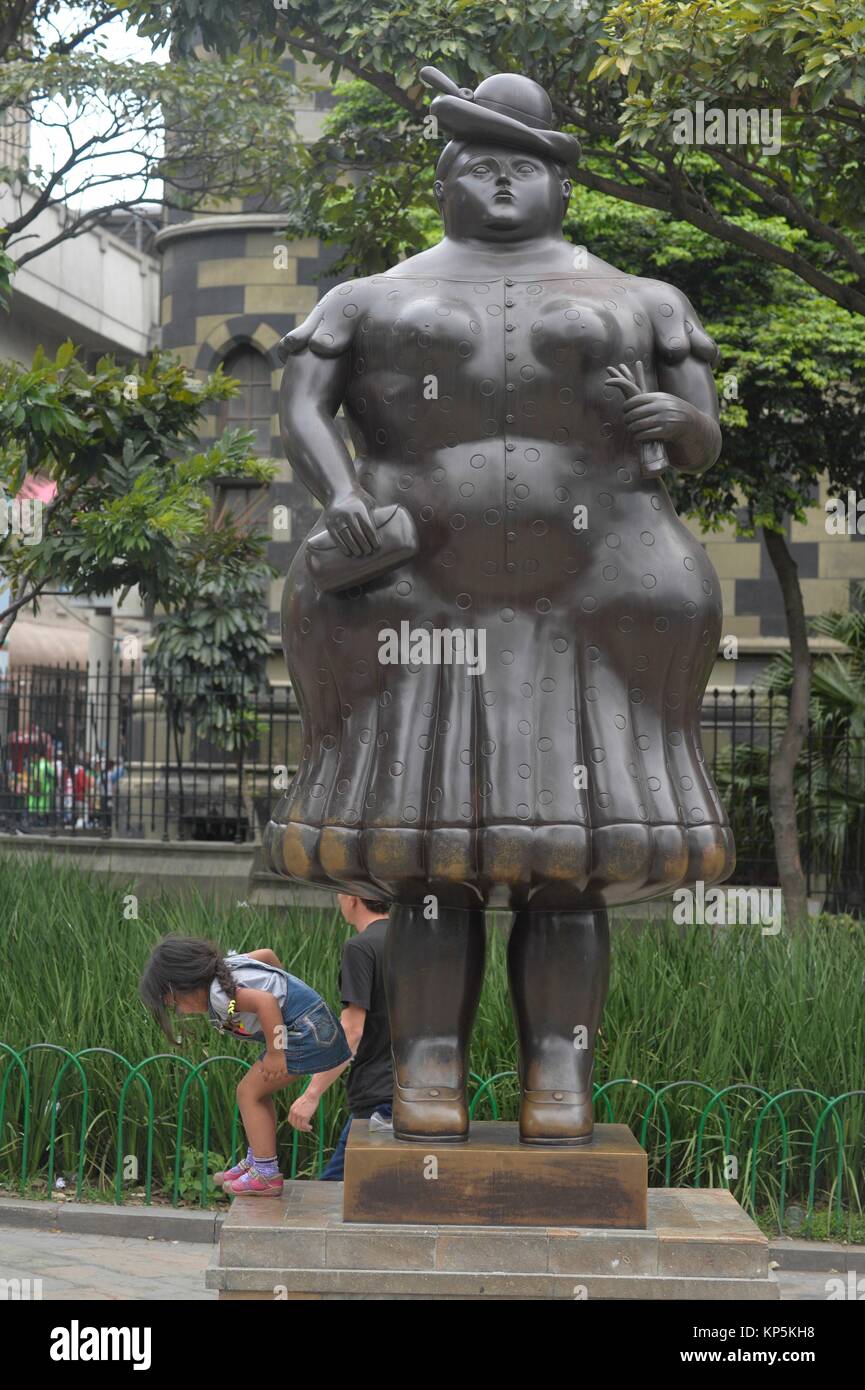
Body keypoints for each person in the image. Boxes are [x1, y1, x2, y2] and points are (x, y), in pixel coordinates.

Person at [264, 67, 733, 1147]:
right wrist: (340, 502)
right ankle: (427, 1067)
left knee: (565, 859)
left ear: (561, 182)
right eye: (482, 166)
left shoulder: (643, 300)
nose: (506, 184)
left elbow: (700, 440)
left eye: (524, 166)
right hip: (416, 591)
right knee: (431, 863)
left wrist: (675, 416)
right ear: (443, 180)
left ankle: (555, 1076)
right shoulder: (369, 296)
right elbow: (300, 403)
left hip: (598, 595)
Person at [139, 935, 351, 1196]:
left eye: (174, 1003)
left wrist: (276, 1052)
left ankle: (265, 1172)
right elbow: (268, 955)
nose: (179, 1011)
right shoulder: (226, 967)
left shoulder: (221, 997)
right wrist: (283, 988)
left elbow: (266, 1002)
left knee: (248, 1093)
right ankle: (259, 1160)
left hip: (305, 1035)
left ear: (185, 984)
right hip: (313, 1027)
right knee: (257, 1094)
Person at [288, 895, 393, 1181]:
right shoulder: (414, 943)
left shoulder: (360, 948)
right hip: (418, 1093)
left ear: (352, 898)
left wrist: (311, 1095)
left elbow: (351, 1030)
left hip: (378, 1097)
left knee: (334, 1191)